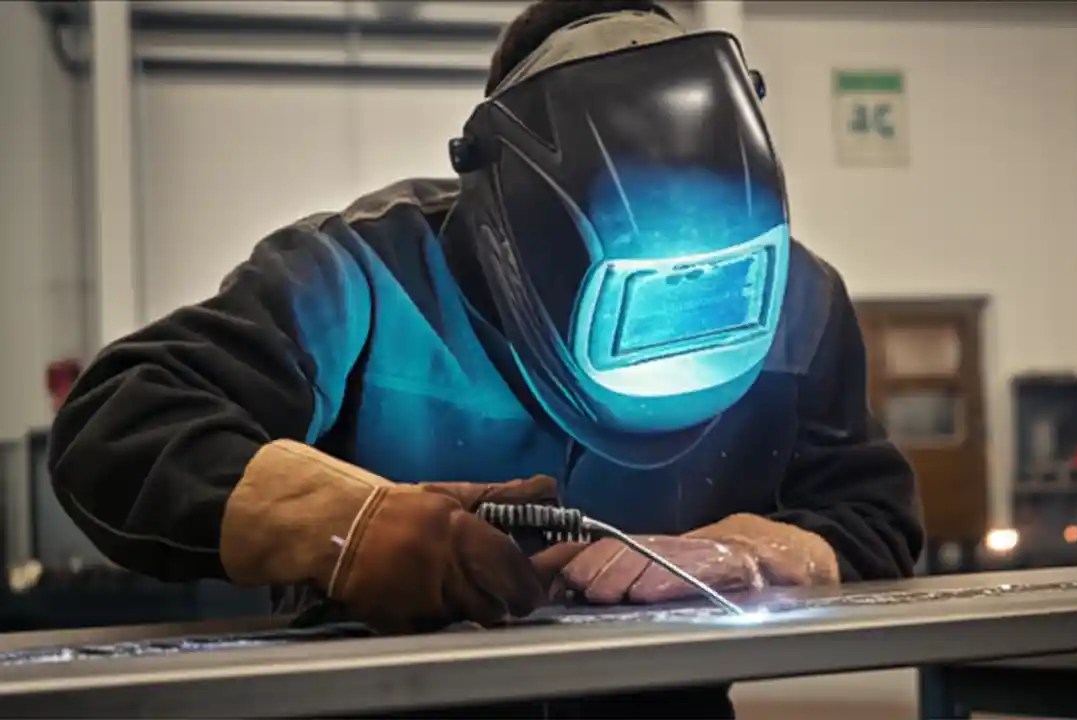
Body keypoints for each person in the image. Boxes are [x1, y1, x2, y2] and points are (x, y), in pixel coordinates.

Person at [48, 1, 922, 716]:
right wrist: (349, 527)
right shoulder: (361, 278)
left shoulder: (796, 304)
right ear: (513, 209)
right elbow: (120, 421)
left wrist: (762, 551)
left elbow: (872, 514)